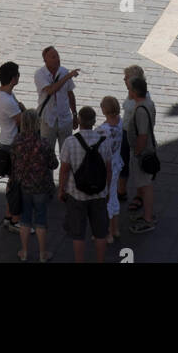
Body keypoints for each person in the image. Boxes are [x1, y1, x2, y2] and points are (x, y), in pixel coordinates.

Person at [58, 106, 112, 263]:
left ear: (79, 121)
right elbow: (109, 170)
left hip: (77, 194)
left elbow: (64, 170)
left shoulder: (70, 142)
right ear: (94, 122)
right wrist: (107, 189)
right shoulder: (105, 142)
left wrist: (61, 190)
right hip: (99, 193)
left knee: (78, 234)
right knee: (101, 233)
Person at [10, 108, 56, 263]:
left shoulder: (17, 141)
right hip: (41, 186)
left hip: (24, 186)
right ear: (37, 123)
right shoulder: (43, 143)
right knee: (41, 220)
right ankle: (43, 253)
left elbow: (13, 162)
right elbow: (53, 164)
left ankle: (24, 252)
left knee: (25, 220)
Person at [0, 61, 25, 231]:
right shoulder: (8, 101)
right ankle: (15, 220)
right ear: (13, 79)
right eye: (18, 75)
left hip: (5, 140)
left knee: (12, 182)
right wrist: (26, 111)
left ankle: (8, 216)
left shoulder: (0, 93)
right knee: (16, 185)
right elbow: (23, 120)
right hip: (12, 144)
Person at [119, 65, 154, 215]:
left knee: (140, 173)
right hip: (126, 134)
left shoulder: (140, 105)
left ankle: (142, 203)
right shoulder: (133, 95)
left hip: (136, 141)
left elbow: (143, 132)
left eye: (126, 78)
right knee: (123, 163)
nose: (124, 80)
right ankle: (121, 191)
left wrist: (138, 151)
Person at [126, 76, 158, 233]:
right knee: (146, 185)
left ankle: (148, 219)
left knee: (146, 186)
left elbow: (143, 135)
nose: (128, 91)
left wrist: (137, 153)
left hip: (143, 154)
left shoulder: (140, 110)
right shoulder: (149, 104)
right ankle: (147, 214)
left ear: (134, 92)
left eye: (129, 89)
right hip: (147, 151)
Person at [34, 46, 79, 155]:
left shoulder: (63, 72)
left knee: (67, 155)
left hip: (64, 119)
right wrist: (68, 76)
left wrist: (74, 114)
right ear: (45, 60)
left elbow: (70, 94)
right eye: (53, 57)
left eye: (57, 56)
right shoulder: (40, 74)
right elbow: (50, 90)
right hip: (48, 120)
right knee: (46, 155)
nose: (57, 59)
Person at [96, 96, 124, 242]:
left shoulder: (102, 130)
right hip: (116, 164)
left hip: (105, 169)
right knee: (113, 197)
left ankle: (107, 233)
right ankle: (116, 229)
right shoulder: (120, 122)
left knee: (105, 200)